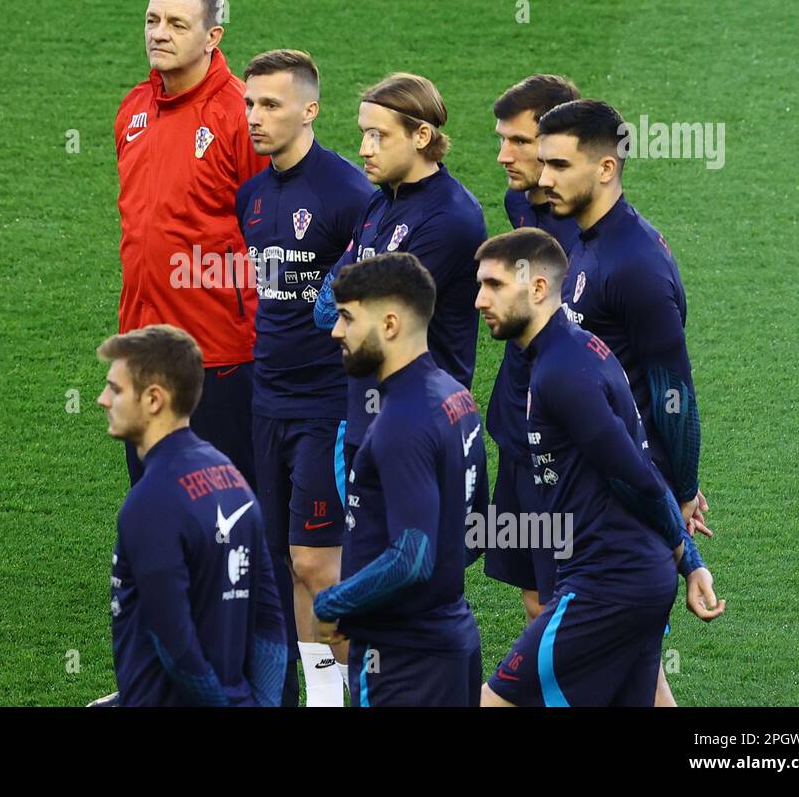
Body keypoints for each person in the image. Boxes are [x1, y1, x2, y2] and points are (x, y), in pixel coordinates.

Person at [473, 230, 724, 708]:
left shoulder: (562, 373)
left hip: (605, 587)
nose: (480, 299)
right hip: (634, 579)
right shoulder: (579, 349)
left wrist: (688, 558)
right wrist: (685, 561)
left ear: (539, 289)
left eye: (494, 285)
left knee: (493, 702)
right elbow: (641, 461)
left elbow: (637, 473)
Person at [536, 99, 711, 705]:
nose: (543, 179)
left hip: (628, 498)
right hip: (595, 490)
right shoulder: (588, 243)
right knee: (637, 676)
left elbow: (675, 392)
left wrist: (681, 493)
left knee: (601, 676)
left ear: (606, 167)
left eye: (559, 165)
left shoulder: (633, 261)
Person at [235, 49, 373, 705]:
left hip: (328, 402)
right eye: (249, 103)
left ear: (310, 109)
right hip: (268, 400)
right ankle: (321, 700)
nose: (254, 118)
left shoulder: (350, 194)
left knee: (319, 563)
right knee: (286, 566)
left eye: (270, 105)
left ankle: (359, 691)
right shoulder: (253, 196)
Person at [114, 0, 267, 487]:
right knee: (153, 498)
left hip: (218, 355)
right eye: (152, 20)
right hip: (143, 346)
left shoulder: (241, 117)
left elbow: (272, 237)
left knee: (226, 504)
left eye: (177, 23)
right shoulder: (133, 110)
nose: (159, 33)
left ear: (212, 37)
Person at [313, 253, 484, 707]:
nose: (336, 331)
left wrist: (334, 602)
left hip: (403, 660)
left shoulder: (401, 423)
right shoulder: (455, 397)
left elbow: (412, 557)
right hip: (451, 640)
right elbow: (474, 529)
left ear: (390, 324)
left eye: (348, 317)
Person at [313, 73, 486, 497]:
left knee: (416, 557)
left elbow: (379, 320)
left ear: (421, 135)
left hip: (419, 425)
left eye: (378, 136)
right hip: (361, 414)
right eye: (363, 134)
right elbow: (325, 312)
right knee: (362, 556)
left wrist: (349, 294)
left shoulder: (450, 219)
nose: (363, 149)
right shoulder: (379, 201)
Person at [98, 325, 286, 706]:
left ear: (154, 399)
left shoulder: (149, 504)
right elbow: (270, 621)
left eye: (115, 389)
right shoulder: (232, 479)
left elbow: (175, 643)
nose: (103, 399)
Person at [483, 74, 582, 621]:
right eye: (501, 138)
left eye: (518, 141)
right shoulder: (519, 205)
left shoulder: (590, 234)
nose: (503, 155)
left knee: (578, 608)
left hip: (566, 445)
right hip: (517, 430)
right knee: (536, 600)